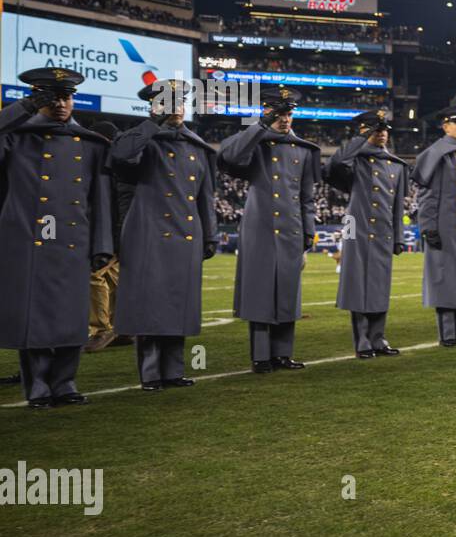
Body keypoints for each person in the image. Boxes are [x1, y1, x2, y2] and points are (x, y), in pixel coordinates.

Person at [0, 68, 113, 408]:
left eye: (66, 96)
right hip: (29, 241)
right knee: (35, 319)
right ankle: (37, 388)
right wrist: (26, 107)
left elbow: (100, 199)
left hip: (73, 242)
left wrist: (103, 244)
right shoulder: (16, 136)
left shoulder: (90, 143)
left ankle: (64, 383)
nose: (62, 104)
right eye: (53, 97)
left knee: (71, 317)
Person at [110, 79, 218, 390]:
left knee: (178, 305)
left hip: (186, 235)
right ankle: (150, 373)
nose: (177, 108)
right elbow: (120, 156)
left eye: (180, 102)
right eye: (169, 103)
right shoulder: (141, 140)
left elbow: (204, 198)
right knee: (149, 304)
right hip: (148, 234)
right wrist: (152, 122)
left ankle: (173, 371)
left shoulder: (198, 147)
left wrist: (210, 236)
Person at [218, 85, 320, 373]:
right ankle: (261, 357)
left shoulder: (304, 149)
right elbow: (231, 157)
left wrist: (308, 234)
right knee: (260, 294)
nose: (285, 119)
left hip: (291, 230)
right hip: (259, 229)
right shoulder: (253, 143)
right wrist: (260, 126)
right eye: (279, 113)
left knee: (288, 293)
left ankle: (283, 355)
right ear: (265, 111)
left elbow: (307, 197)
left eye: (289, 113)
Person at [324, 108, 408, 359]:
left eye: (384, 130)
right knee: (357, 285)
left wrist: (400, 237)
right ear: (363, 131)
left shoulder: (397, 166)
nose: (382, 134)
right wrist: (360, 140)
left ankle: (378, 338)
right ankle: (361, 339)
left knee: (380, 287)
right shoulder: (354, 160)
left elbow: (398, 207)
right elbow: (333, 166)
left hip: (383, 232)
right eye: (375, 129)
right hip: (355, 228)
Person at [414, 105, 456, 347]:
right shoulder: (436, 154)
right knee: (445, 281)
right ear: (445, 126)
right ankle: (448, 334)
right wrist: (428, 226)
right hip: (443, 230)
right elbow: (427, 196)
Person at [84, 119, 134, 352]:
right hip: (119, 229)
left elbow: (115, 203)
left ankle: (101, 329)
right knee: (114, 277)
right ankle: (123, 327)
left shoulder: (111, 163)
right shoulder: (120, 160)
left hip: (113, 229)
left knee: (94, 274)